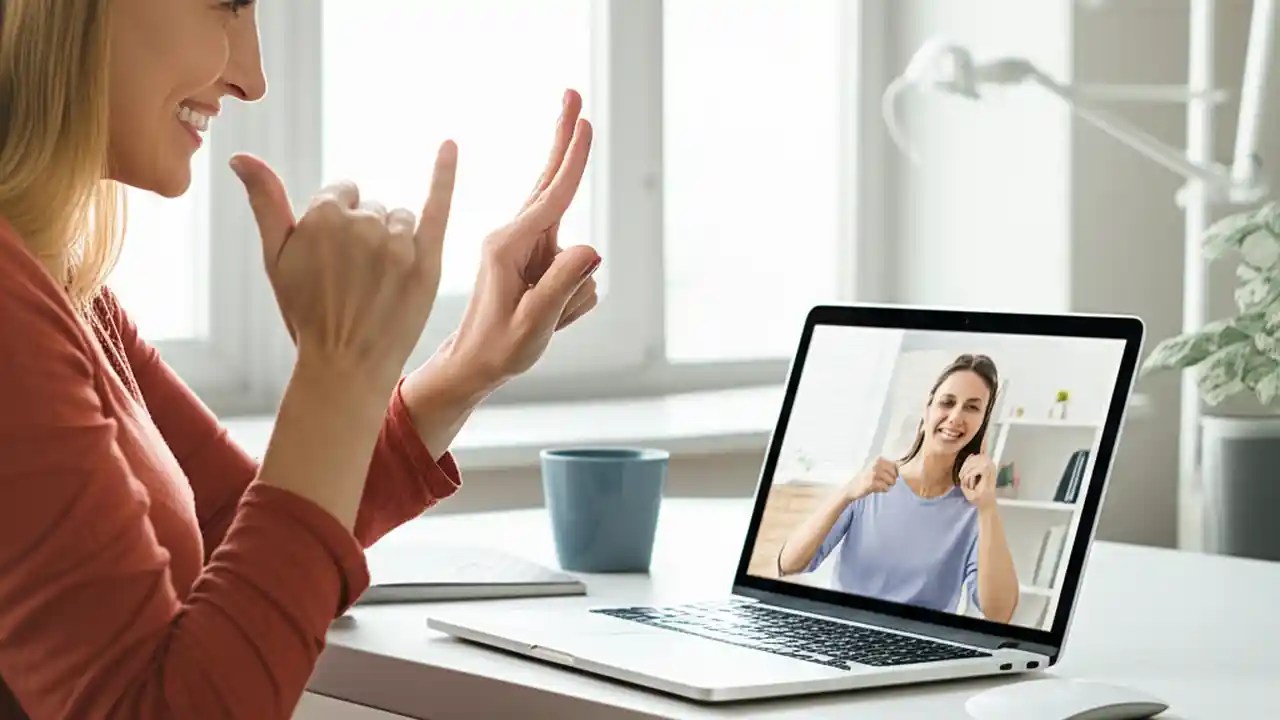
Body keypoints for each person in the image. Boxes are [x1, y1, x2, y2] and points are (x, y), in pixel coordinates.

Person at [0, 3, 600, 718]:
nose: (253, 79)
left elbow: (236, 539)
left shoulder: (60, 290)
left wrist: (465, 370)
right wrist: (339, 364)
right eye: (227, 3)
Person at [777, 354, 1020, 623]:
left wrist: (988, 507)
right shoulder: (871, 482)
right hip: (844, 633)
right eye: (947, 402)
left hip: (922, 650)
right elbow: (789, 564)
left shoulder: (975, 509)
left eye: (972, 408)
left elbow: (999, 614)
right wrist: (847, 493)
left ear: (982, 425)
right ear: (927, 409)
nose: (955, 417)